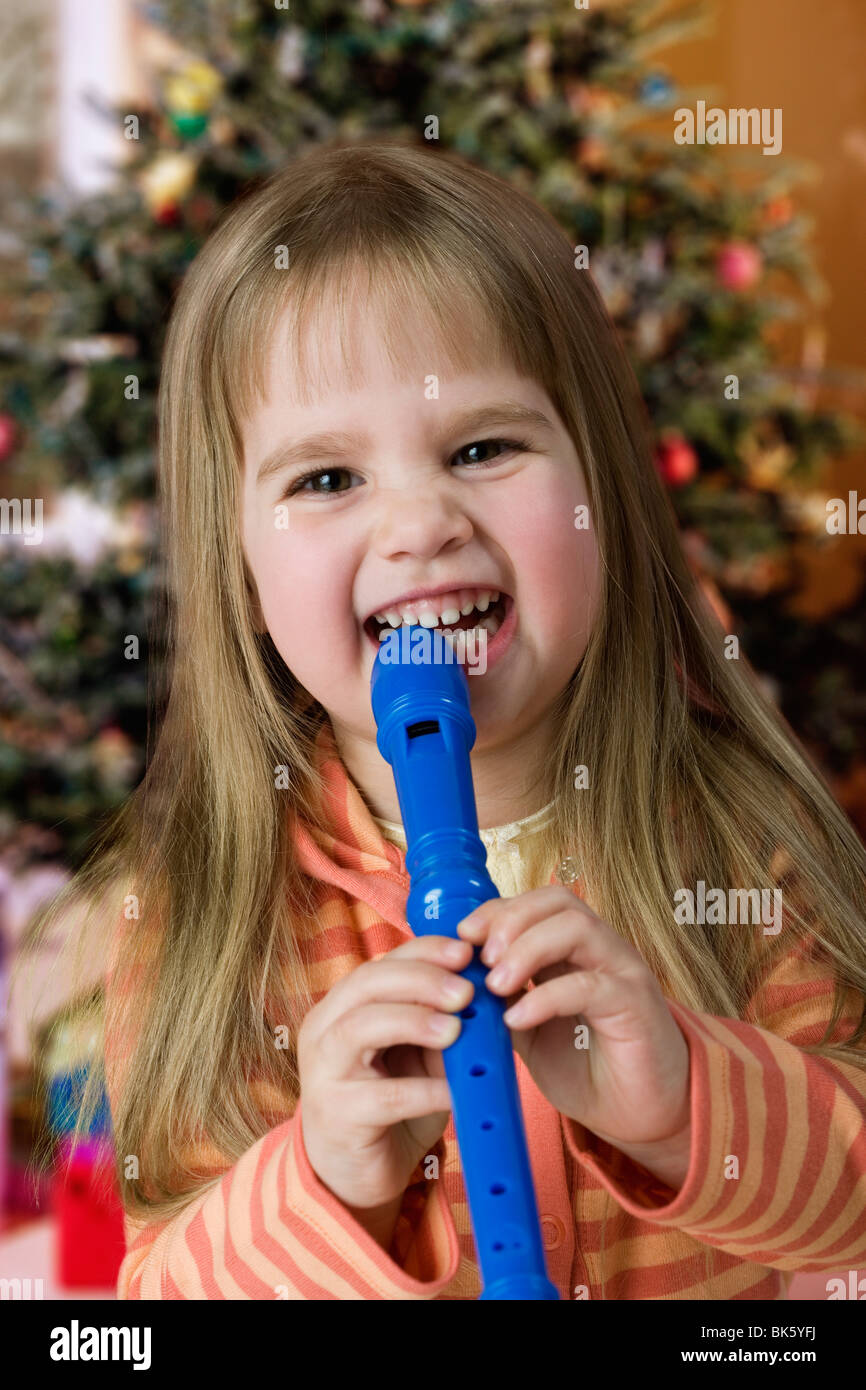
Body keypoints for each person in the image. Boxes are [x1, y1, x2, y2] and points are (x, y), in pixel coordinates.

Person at [43, 141, 866, 1299]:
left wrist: (687, 1101)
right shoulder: (209, 913)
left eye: (482, 448)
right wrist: (327, 1184)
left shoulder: (736, 842)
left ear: (602, 494)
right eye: (325, 479)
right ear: (237, 563)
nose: (418, 523)